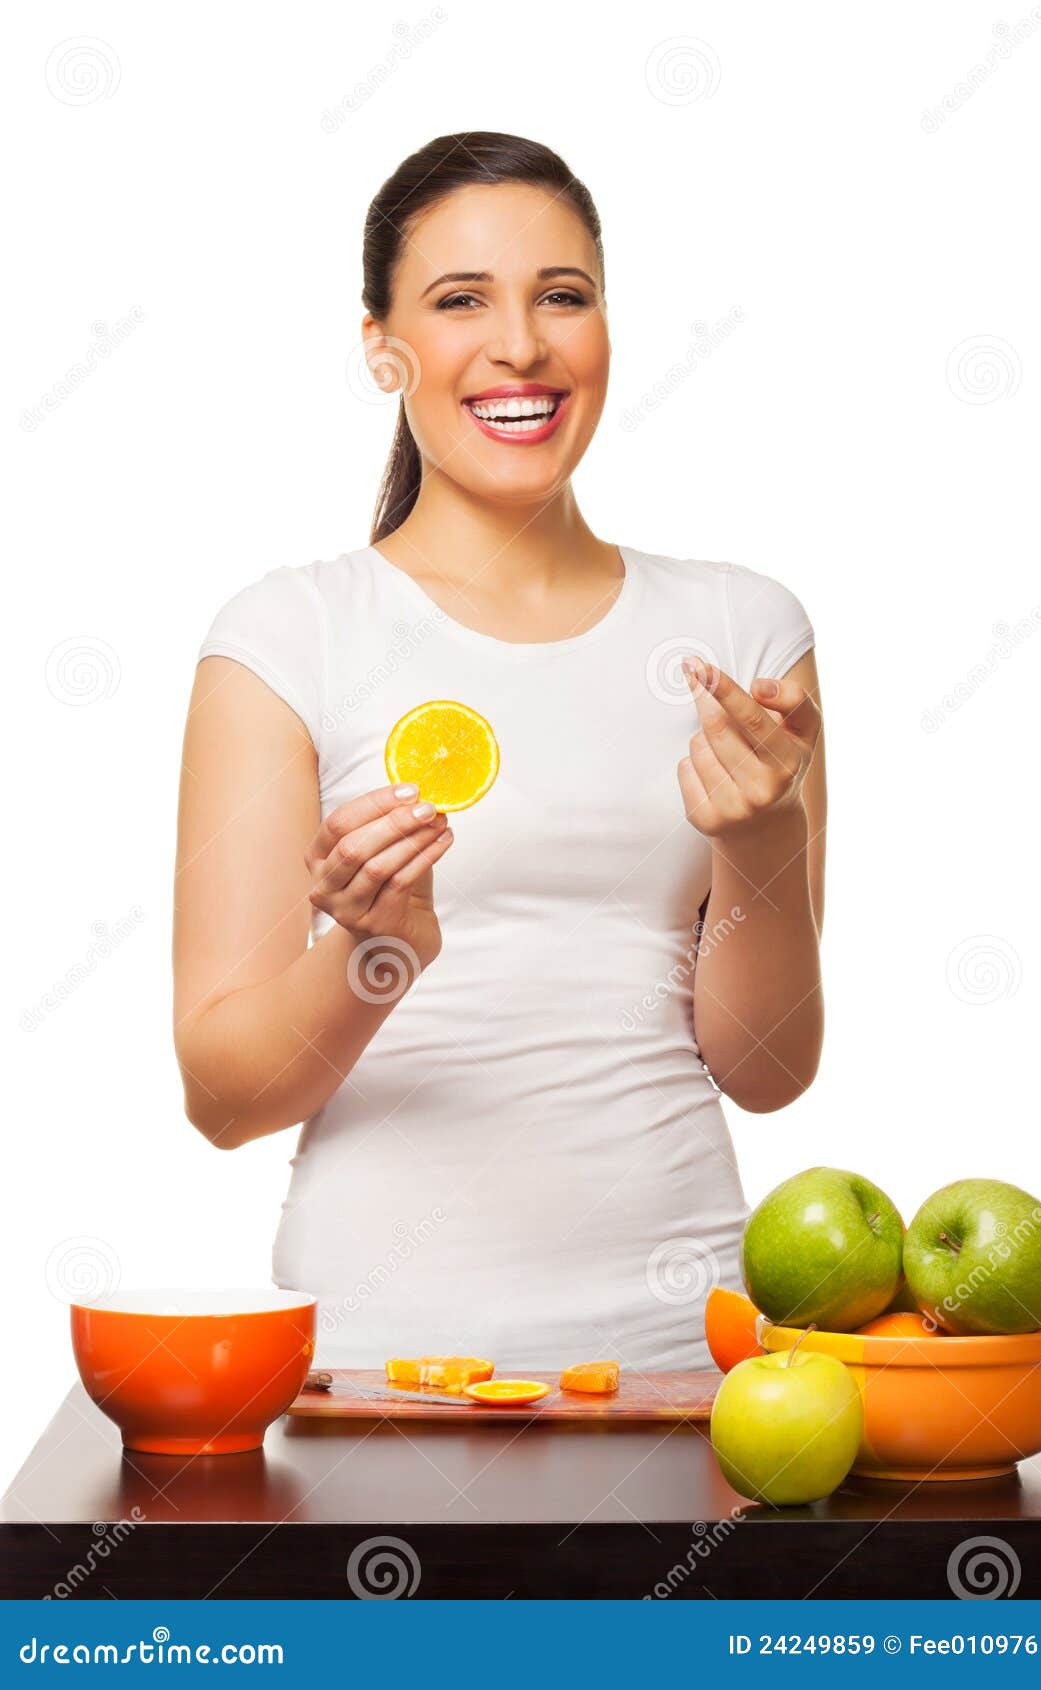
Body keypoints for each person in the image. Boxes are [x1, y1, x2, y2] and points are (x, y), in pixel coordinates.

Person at [173, 132, 825, 1371]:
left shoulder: (743, 636)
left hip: (689, 1363)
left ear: (606, 329)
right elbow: (225, 1097)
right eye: (459, 300)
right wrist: (374, 953)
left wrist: (762, 839)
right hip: (377, 1364)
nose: (519, 344)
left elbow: (766, 1067)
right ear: (382, 347)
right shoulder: (286, 636)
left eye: (560, 297)